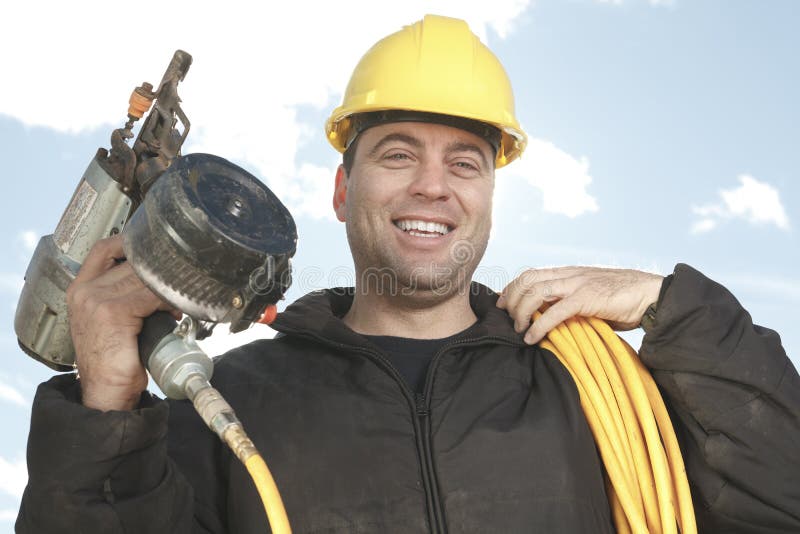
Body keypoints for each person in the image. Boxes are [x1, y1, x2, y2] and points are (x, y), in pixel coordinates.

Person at [17, 14, 799, 534]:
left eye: (465, 162)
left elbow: (782, 498)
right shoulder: (232, 405)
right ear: (340, 188)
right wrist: (106, 410)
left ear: (487, 199)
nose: (433, 186)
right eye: (397, 155)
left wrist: (671, 308)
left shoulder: (589, 393)